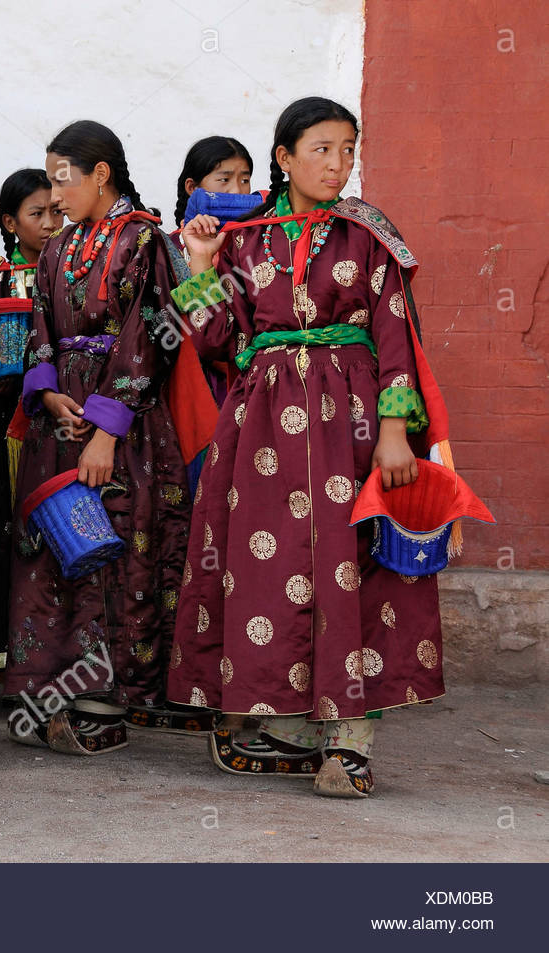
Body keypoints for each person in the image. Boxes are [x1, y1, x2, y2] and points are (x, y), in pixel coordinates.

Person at [167, 96, 460, 798]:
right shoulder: (247, 239)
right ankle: (293, 722)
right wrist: (201, 262)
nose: (338, 164)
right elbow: (220, 342)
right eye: (322, 149)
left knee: (351, 570)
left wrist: (394, 430)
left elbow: (395, 336)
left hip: (351, 425)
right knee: (269, 570)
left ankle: (350, 739)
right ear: (284, 157)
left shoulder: (368, 235)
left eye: (348, 150)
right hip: (260, 427)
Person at [5, 120, 205, 755]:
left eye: (64, 178)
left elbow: (153, 335)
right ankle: (51, 691)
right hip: (59, 421)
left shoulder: (141, 240)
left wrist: (106, 431)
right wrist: (44, 390)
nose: (55, 193)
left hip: (125, 427)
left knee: (117, 548)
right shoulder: (57, 249)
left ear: (101, 174)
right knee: (54, 550)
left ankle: (107, 702)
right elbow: (40, 319)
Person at [0, 168, 58, 681]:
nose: (49, 224)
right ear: (10, 221)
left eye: (56, 212)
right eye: (36, 214)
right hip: (0, 431)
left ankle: (45, 661)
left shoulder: (72, 275)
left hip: (60, 423)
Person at [173, 136, 254, 230]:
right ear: (192, 187)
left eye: (244, 181)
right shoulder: (170, 243)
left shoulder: (260, 238)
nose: (237, 191)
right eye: (224, 180)